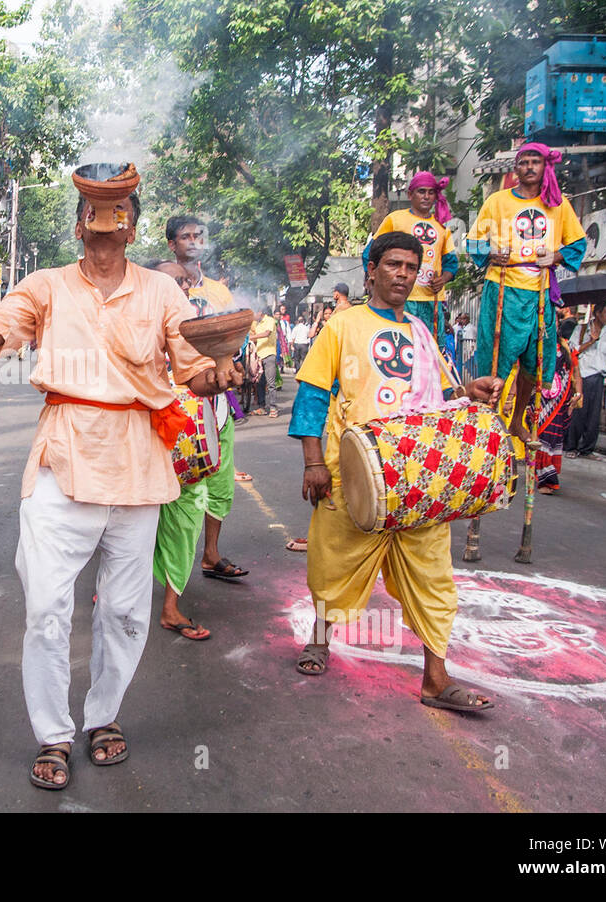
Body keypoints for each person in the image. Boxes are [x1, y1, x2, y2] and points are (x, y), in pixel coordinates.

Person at [0, 182, 229, 790]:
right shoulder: (45, 285)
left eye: (117, 215)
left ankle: (104, 717)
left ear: (131, 227)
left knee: (125, 613)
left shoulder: (162, 290)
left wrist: (221, 371)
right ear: (79, 225)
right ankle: (53, 733)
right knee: (45, 608)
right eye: (93, 215)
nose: (105, 224)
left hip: (139, 467)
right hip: (62, 458)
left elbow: (195, 371)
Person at [289, 231, 502, 710]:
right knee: (332, 562)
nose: (403, 274)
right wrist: (313, 462)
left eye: (412, 267)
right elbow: (312, 395)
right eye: (394, 265)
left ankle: (436, 679)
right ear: (372, 270)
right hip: (354, 474)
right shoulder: (344, 325)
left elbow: (439, 402)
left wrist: (471, 392)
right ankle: (320, 641)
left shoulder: (423, 333)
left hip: (418, 478)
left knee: (432, 575)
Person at [466, 142, 587, 441]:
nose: (529, 167)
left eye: (536, 161)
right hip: (503, 288)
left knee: (535, 362)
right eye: (524, 161)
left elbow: (577, 244)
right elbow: (473, 241)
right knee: (495, 363)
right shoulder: (497, 201)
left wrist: (556, 257)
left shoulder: (558, 205)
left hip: (539, 292)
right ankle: (487, 420)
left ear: (545, 167)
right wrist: (492, 253)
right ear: (515, 168)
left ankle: (518, 419)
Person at [167, 215, 248, 580]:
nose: (195, 241)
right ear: (172, 244)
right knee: (165, 487)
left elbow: (234, 337)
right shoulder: (160, 284)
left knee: (220, 480)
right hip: (172, 396)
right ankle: (127, 569)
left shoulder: (219, 291)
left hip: (216, 398)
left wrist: (236, 366)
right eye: (186, 236)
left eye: (200, 235)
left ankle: (210, 554)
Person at [150, 262, 214, 641]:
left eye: (183, 283)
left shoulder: (198, 326)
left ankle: (171, 607)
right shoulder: (136, 322)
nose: (180, 289)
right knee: (127, 523)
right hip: (145, 441)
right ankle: (112, 590)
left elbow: (210, 376)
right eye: (171, 283)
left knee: (185, 523)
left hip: (194, 447)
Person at [366, 171, 459, 330]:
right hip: (399, 298)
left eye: (431, 192)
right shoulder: (395, 219)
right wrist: (375, 285)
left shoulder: (442, 226)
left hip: (431, 301)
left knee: (430, 349)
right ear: (410, 194)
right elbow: (370, 253)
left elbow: (451, 264)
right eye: (421, 191)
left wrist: (442, 280)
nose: (426, 196)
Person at [535, 320, 581, 494]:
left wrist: (578, 395)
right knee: (538, 436)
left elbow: (577, 372)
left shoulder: (568, 348)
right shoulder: (537, 346)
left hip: (560, 401)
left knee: (552, 437)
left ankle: (548, 478)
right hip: (539, 399)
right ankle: (541, 472)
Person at [565, 301, 606, 456]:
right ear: (597, 313)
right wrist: (591, 341)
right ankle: (571, 446)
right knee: (578, 411)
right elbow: (573, 351)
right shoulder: (581, 329)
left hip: (599, 376)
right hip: (582, 375)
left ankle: (587, 448)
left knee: (593, 415)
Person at [249, 307, 277, 417]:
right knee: (260, 383)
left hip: (269, 355)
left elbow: (266, 334)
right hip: (259, 356)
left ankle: (273, 408)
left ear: (260, 312)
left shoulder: (270, 320)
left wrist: (251, 337)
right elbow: (256, 339)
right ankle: (262, 407)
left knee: (271, 383)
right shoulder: (257, 324)